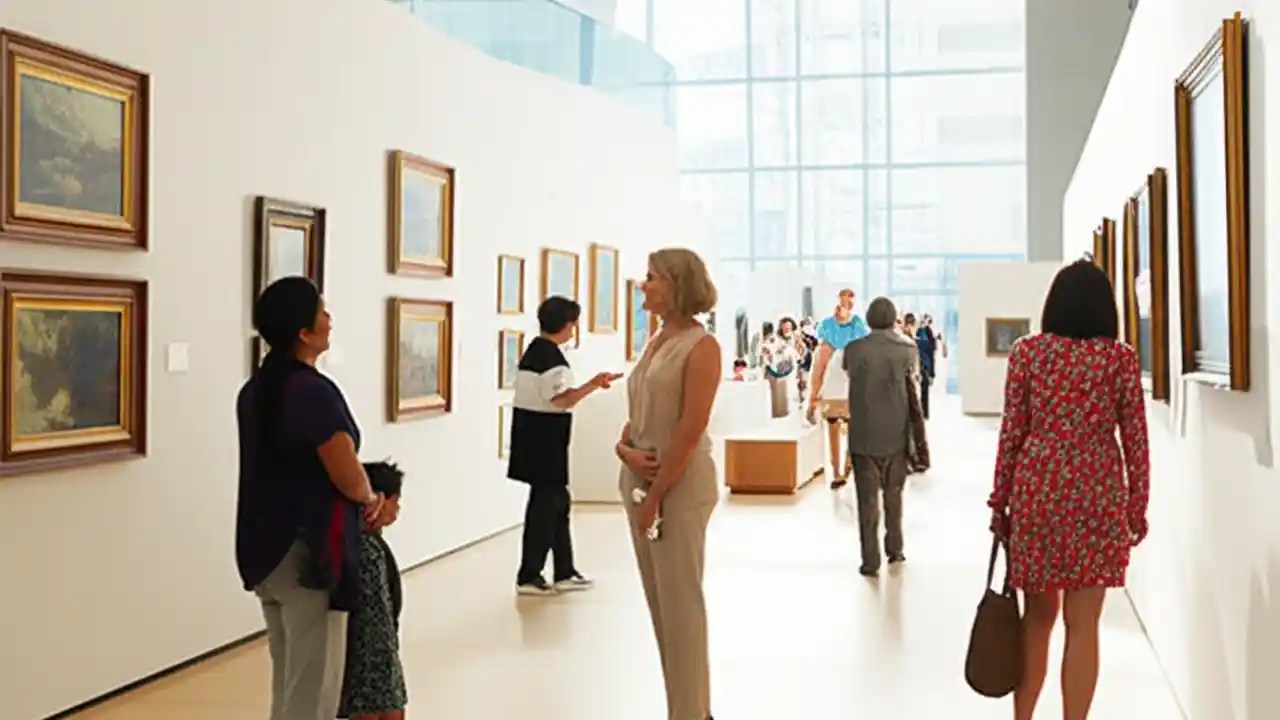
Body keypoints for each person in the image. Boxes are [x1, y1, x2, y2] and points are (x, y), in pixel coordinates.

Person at [988, 260, 1149, 720]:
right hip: (1097, 494)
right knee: (1084, 626)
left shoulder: (1028, 353)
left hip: (1038, 490)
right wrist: (1137, 506)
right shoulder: (1118, 359)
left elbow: (1011, 433)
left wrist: (1001, 502)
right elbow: (1135, 439)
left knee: (1036, 620)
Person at [236, 276, 394, 720]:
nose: (330, 320)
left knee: (289, 678)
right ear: (303, 332)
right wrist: (370, 498)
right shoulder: (311, 392)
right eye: (322, 313)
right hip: (309, 552)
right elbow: (346, 473)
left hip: (266, 551)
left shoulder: (255, 391)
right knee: (315, 689)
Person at [615, 247, 721, 720]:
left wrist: (656, 497)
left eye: (652, 277)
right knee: (662, 608)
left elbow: (690, 428)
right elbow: (637, 420)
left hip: (676, 490)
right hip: (642, 486)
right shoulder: (656, 340)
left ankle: (692, 713)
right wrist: (625, 452)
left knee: (682, 610)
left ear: (677, 284)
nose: (644, 284)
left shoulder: (702, 347)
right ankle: (682, 708)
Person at [508, 296, 622, 596]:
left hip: (534, 437)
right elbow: (562, 400)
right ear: (568, 324)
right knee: (546, 507)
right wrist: (594, 384)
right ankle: (529, 575)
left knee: (557, 503)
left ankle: (564, 570)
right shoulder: (551, 360)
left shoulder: (535, 352)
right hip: (544, 440)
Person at [842, 297, 919, 578]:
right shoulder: (907, 350)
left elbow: (850, 375)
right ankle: (895, 549)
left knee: (866, 502)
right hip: (897, 433)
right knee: (894, 496)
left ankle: (869, 560)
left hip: (863, 433)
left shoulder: (854, 349)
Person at [338, 461, 407, 720]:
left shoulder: (367, 544)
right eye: (395, 500)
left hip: (381, 653)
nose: (398, 508)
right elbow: (372, 611)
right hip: (371, 655)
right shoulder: (366, 550)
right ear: (377, 499)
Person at [805, 288, 869, 489]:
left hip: (852, 390)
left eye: (847, 302)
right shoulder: (827, 334)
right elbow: (818, 370)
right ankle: (838, 471)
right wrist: (813, 398)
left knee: (853, 431)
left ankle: (847, 466)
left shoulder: (858, 328)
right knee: (833, 429)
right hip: (833, 391)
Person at [915, 315, 938, 419]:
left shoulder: (930, 334)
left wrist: (932, 374)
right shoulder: (917, 332)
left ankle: (924, 414)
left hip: (925, 366)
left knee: (924, 391)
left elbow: (932, 355)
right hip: (917, 365)